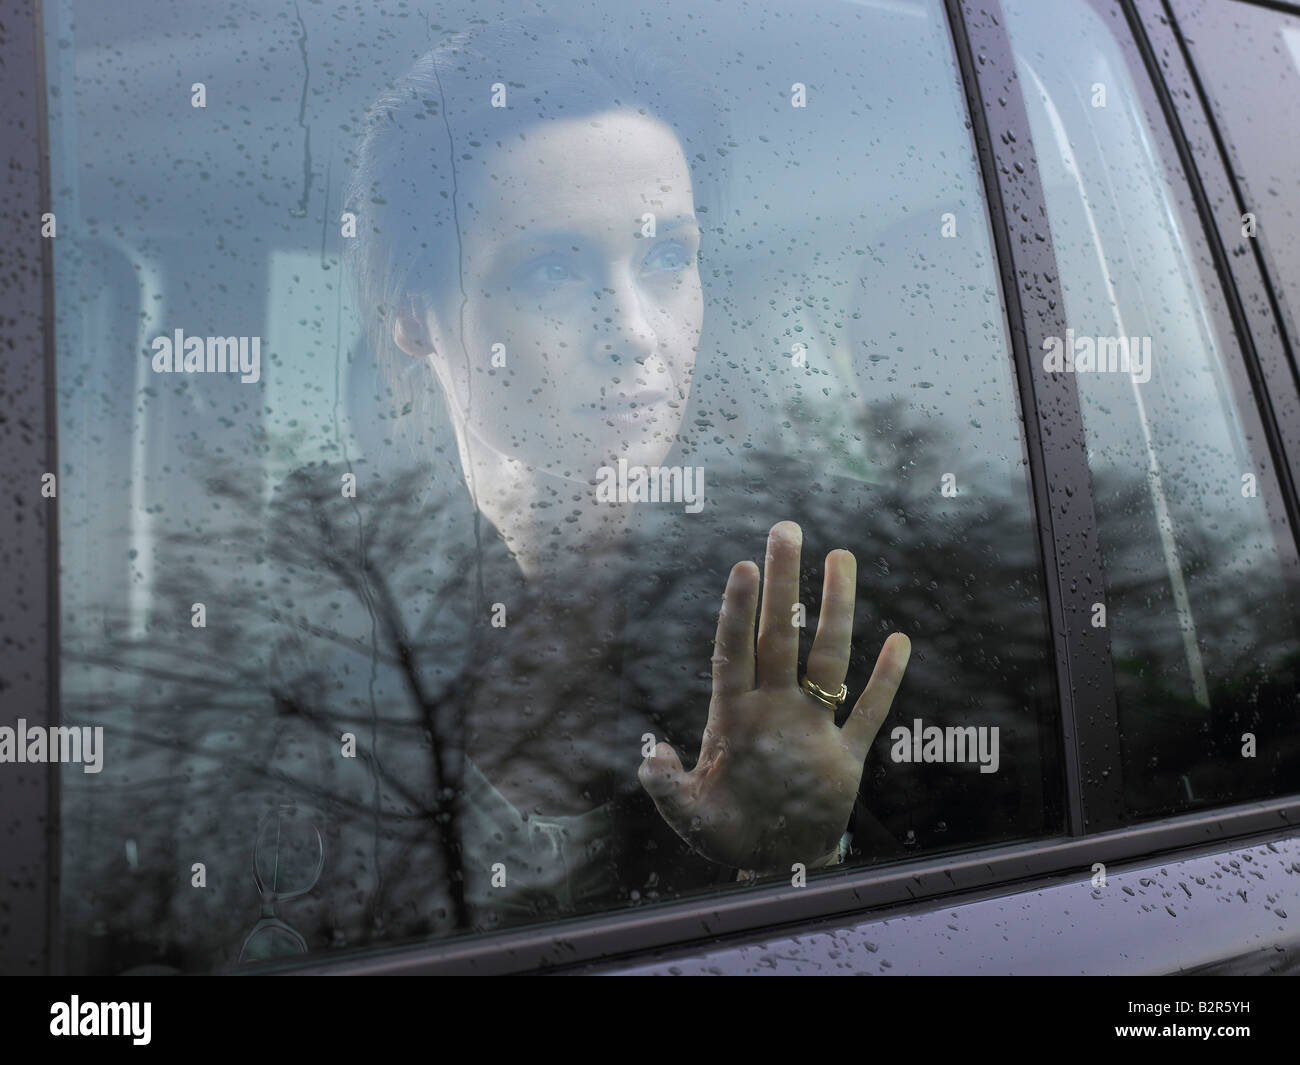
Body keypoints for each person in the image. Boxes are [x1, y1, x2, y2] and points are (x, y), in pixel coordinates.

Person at [166, 16, 911, 963]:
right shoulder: (302, 606)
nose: (635, 331)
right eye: (555, 267)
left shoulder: (823, 613)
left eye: (667, 258)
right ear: (414, 315)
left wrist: (799, 861)